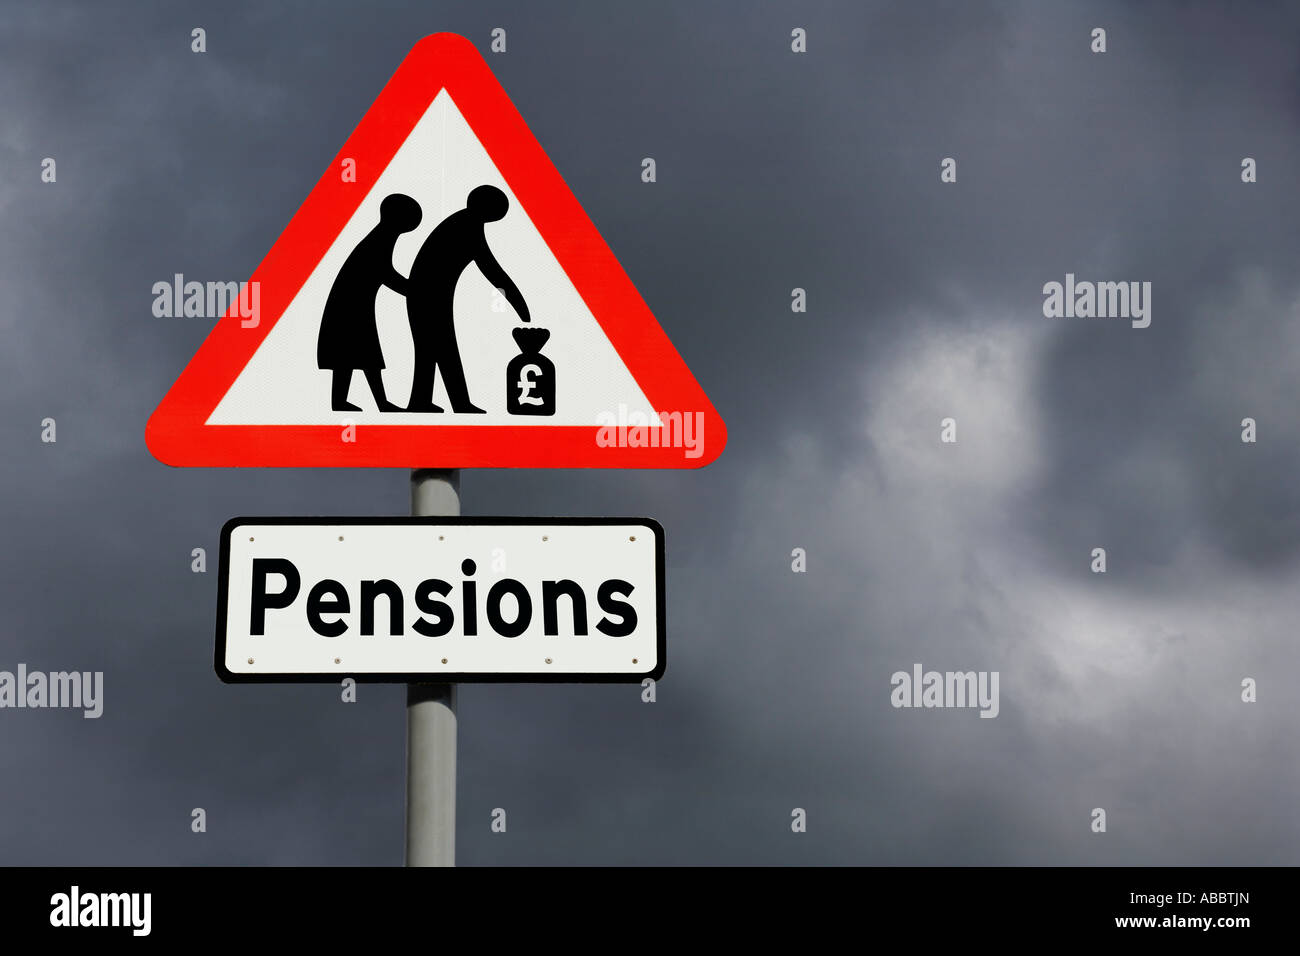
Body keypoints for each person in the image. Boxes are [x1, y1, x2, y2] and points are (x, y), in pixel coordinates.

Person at [404, 185, 529, 413]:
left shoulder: (462, 222)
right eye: (498, 210)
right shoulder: (467, 226)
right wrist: (520, 306)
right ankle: (450, 403)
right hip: (428, 297)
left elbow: (491, 269)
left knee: (434, 350)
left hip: (427, 296)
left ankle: (428, 401)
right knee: (440, 349)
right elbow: (492, 270)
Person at [316, 193, 422, 411]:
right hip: (351, 305)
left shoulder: (382, 235)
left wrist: (410, 289)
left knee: (358, 355)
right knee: (357, 355)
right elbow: (384, 272)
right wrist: (413, 290)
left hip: (355, 303)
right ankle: (370, 403)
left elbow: (383, 272)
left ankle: (374, 403)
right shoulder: (382, 238)